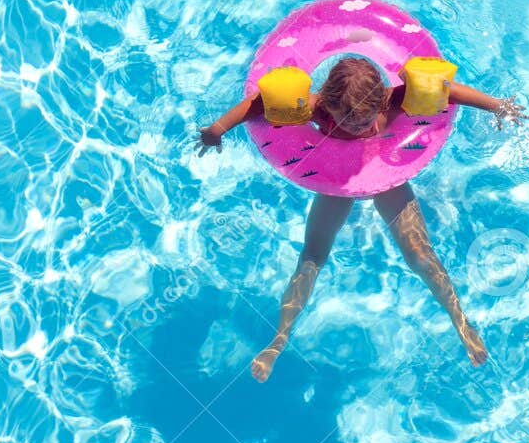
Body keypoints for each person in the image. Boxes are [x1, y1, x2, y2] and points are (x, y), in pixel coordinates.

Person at [198, 55, 511, 380]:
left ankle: (461, 323)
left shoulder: (393, 98)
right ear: (328, 104)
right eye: (347, 122)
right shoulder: (314, 106)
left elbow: (450, 92)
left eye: (364, 122)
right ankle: (278, 341)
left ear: (380, 102)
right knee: (312, 257)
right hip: (337, 181)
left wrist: (496, 105)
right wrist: (218, 129)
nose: (358, 127)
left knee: (420, 253)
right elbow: (256, 104)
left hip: (386, 173)